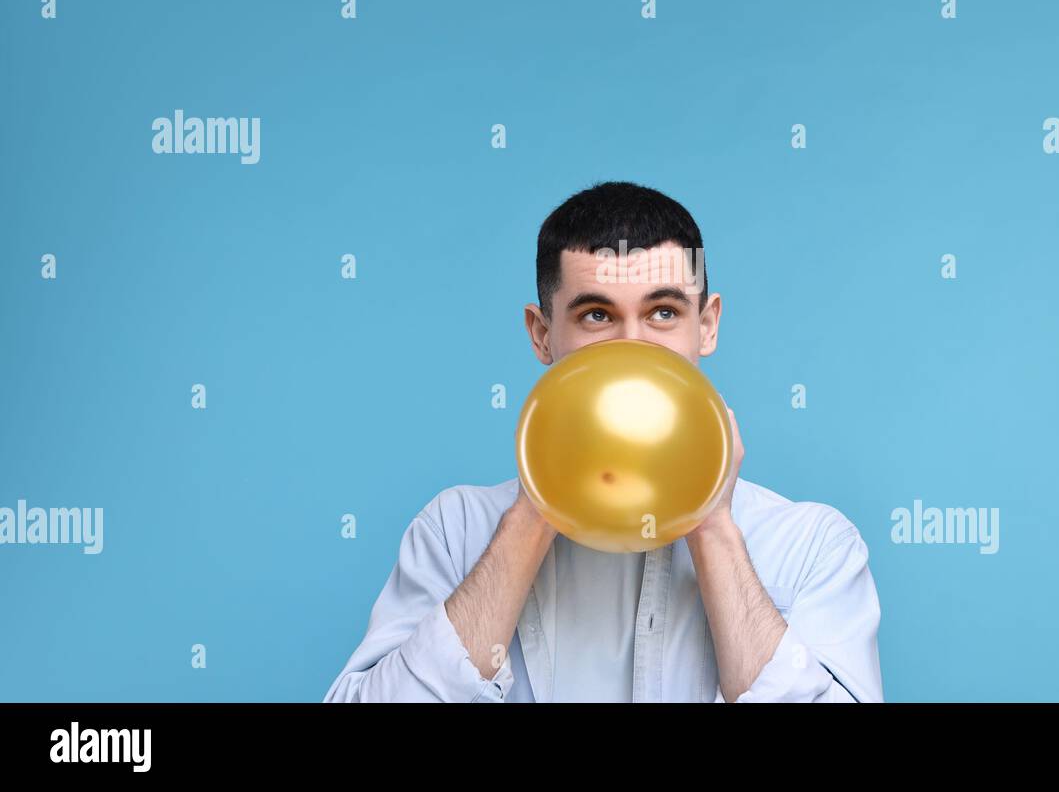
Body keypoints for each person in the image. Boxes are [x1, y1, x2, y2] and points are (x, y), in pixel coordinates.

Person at [323, 181, 883, 702]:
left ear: (707, 326)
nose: (631, 348)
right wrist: (537, 508)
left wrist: (712, 524)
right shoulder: (454, 532)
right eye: (597, 315)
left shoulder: (811, 545)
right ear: (543, 335)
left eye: (663, 312)